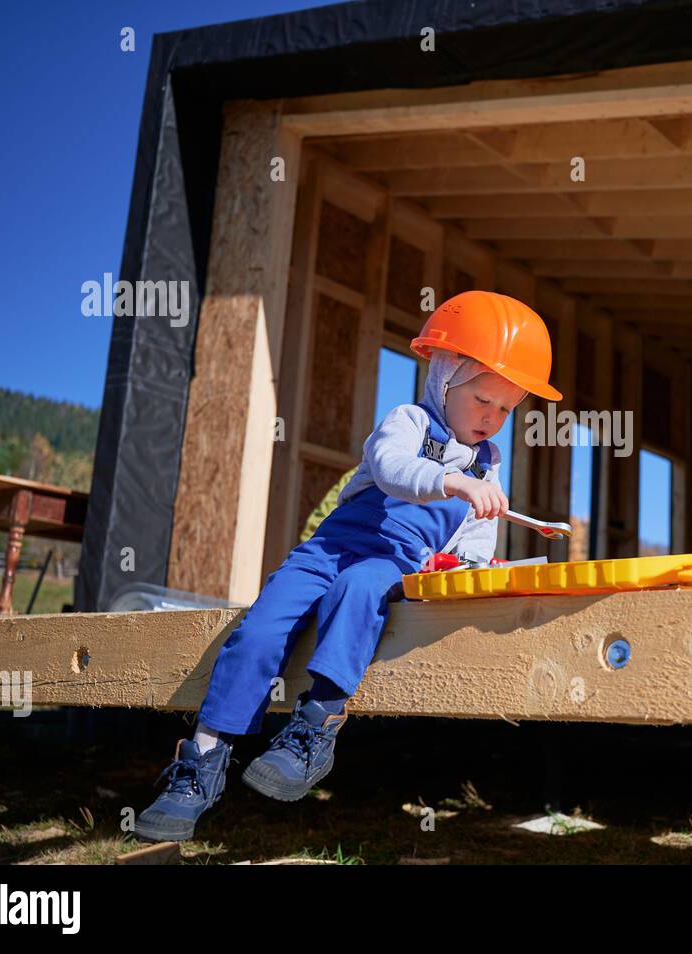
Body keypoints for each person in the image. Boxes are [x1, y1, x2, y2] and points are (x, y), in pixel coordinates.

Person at [133, 290, 562, 842]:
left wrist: (463, 563)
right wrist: (450, 481)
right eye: (483, 399)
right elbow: (390, 468)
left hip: (390, 564)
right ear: (446, 377)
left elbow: (474, 545)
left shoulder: (488, 467)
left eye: (507, 408)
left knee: (360, 590)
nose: (493, 418)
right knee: (260, 630)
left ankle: (314, 729)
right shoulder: (408, 422)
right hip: (327, 551)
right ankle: (202, 763)